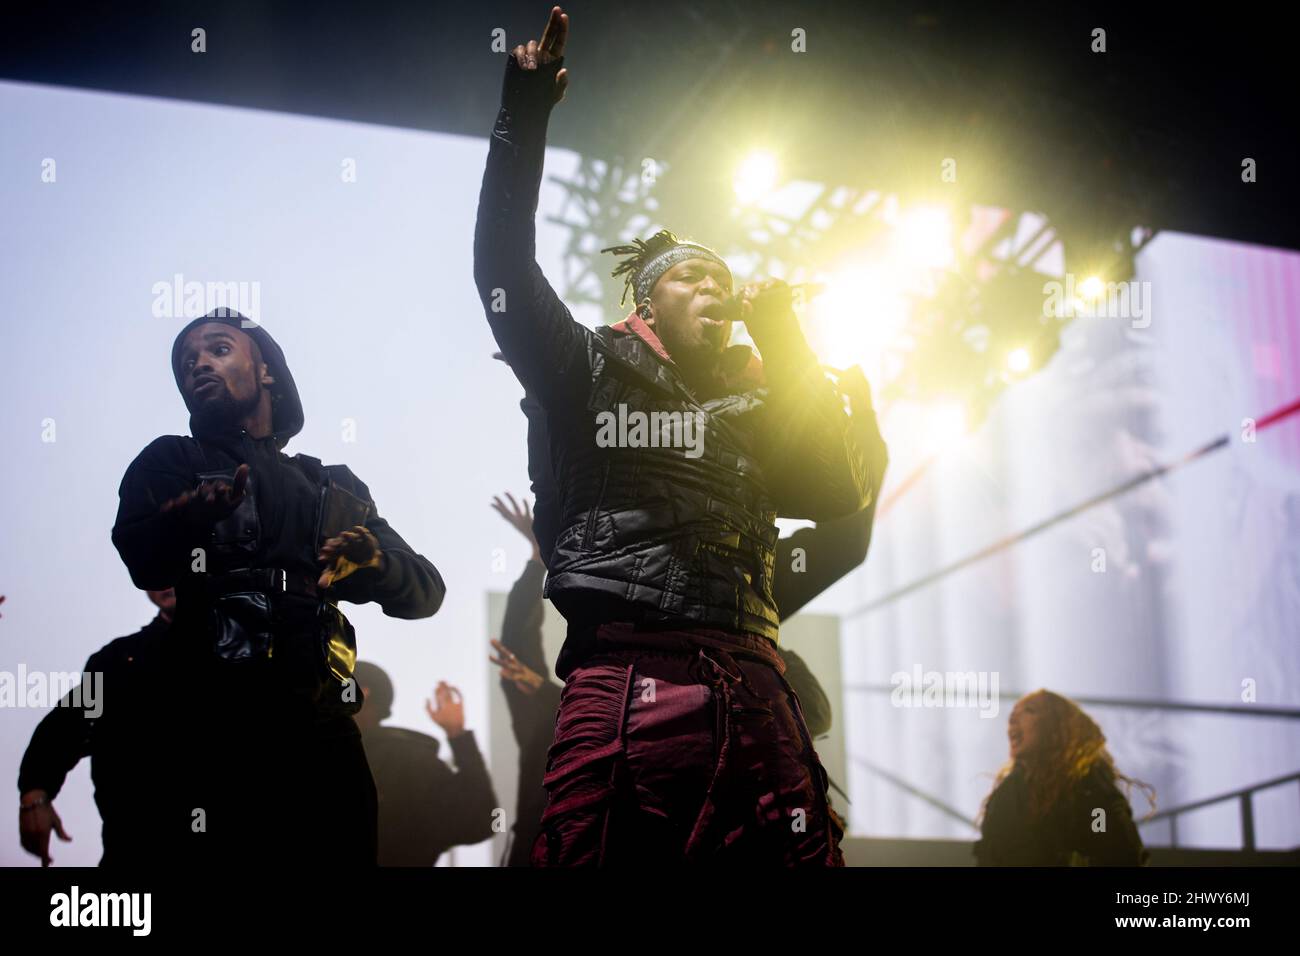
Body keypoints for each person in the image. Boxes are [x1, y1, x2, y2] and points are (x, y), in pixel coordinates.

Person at [476, 12, 881, 856]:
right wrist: (525, 111)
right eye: (693, 276)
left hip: (754, 683)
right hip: (628, 675)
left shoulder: (752, 410)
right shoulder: (588, 368)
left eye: (724, 279)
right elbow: (504, 272)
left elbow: (837, 492)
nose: (715, 289)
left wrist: (788, 337)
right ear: (647, 301)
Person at [110, 308, 446, 865]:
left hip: (325, 734)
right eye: (187, 361)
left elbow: (426, 593)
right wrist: (188, 517)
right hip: (214, 735)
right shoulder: (171, 460)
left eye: (218, 349)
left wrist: (373, 563)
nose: (198, 365)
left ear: (265, 370)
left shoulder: (331, 486)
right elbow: (142, 560)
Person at [18, 589, 175, 866]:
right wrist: (35, 793)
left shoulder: (257, 642)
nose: (162, 579)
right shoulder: (117, 661)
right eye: (151, 565)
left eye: (173, 562)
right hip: (133, 856)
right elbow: (65, 727)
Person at [974, 689, 1154, 866]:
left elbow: (1111, 847)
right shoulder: (1005, 796)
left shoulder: (1092, 794)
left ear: (1056, 726)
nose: (1012, 719)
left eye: (1029, 711)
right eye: (1013, 714)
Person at [352, 662, 498, 866]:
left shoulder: (410, 762)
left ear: (362, 694)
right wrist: (457, 735)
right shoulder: (414, 760)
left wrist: (458, 736)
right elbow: (483, 820)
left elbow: (481, 819)